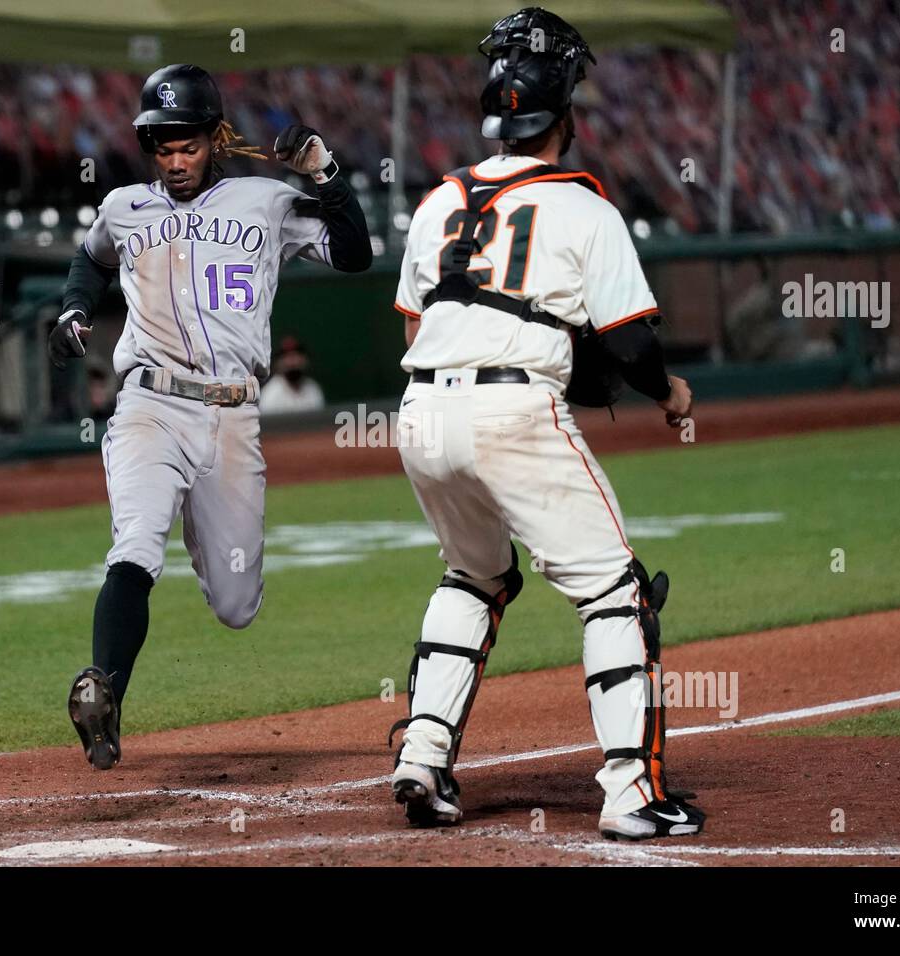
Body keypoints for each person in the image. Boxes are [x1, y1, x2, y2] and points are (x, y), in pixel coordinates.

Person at [387, 8, 703, 841]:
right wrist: (667, 391)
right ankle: (632, 793)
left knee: (473, 577)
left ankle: (422, 757)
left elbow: (415, 330)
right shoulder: (582, 207)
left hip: (420, 413)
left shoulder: (437, 201)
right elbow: (631, 342)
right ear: (566, 119)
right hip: (514, 408)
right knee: (613, 590)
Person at [51, 64, 371, 769]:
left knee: (236, 603)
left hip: (231, 418)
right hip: (149, 405)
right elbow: (90, 258)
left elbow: (355, 255)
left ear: (215, 138)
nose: (174, 160)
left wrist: (324, 171)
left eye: (187, 145)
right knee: (134, 545)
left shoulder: (266, 200)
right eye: (162, 147)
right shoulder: (125, 207)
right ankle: (104, 691)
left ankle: (121, 668)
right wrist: (74, 308)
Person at [258, 336, 324, 415]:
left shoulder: (313, 389)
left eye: (296, 355)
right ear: (278, 363)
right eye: (287, 357)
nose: (293, 362)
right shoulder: (270, 394)